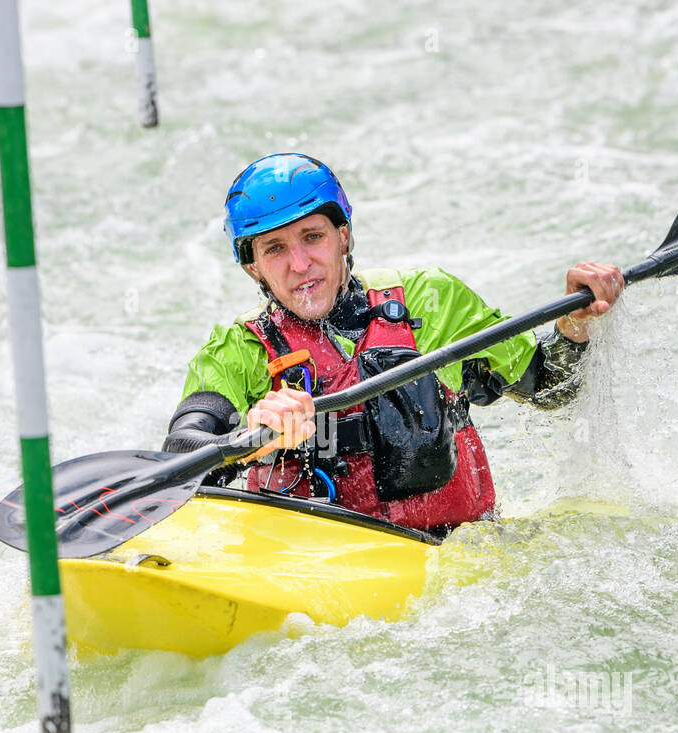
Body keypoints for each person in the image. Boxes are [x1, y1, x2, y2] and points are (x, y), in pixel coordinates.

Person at [163, 153, 623, 531]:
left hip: (454, 555)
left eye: (312, 237)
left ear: (343, 237)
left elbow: (550, 387)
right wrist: (249, 436)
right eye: (275, 249)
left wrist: (576, 322)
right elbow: (179, 455)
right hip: (306, 563)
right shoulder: (238, 348)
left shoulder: (434, 300)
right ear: (253, 268)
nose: (300, 264)